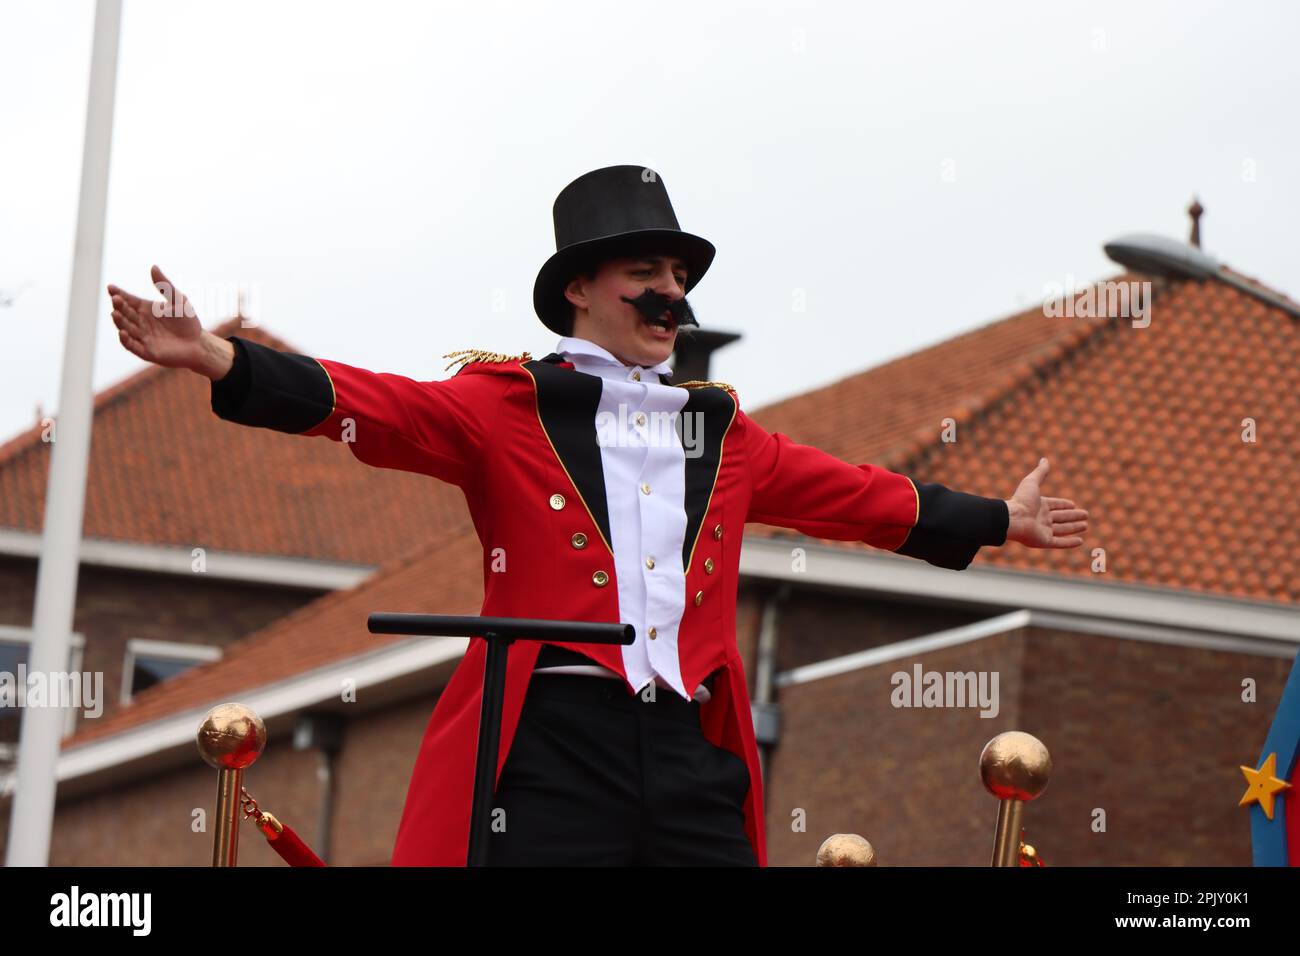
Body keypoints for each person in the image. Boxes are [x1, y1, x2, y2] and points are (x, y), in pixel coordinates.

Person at [106, 165, 1088, 866]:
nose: (670, 295)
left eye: (679, 277)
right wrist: (220, 359)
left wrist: (1001, 513)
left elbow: (855, 495)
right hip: (550, 736)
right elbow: (375, 405)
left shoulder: (723, 430)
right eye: (645, 274)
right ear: (579, 288)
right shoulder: (503, 405)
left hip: (686, 739)